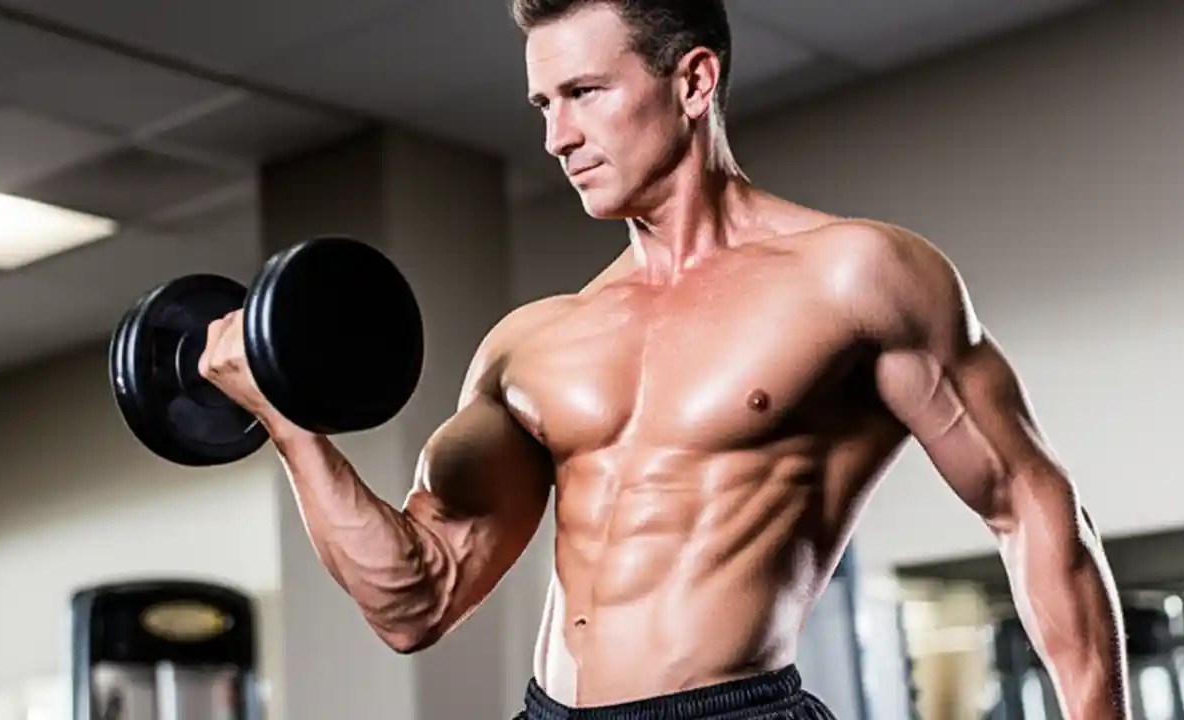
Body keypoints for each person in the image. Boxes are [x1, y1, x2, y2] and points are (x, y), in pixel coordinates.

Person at [198, 0, 1130, 717]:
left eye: (585, 94)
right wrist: (289, 423)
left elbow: (1030, 506)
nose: (557, 136)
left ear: (692, 81)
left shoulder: (858, 276)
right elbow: (416, 601)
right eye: (543, 103)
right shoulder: (532, 343)